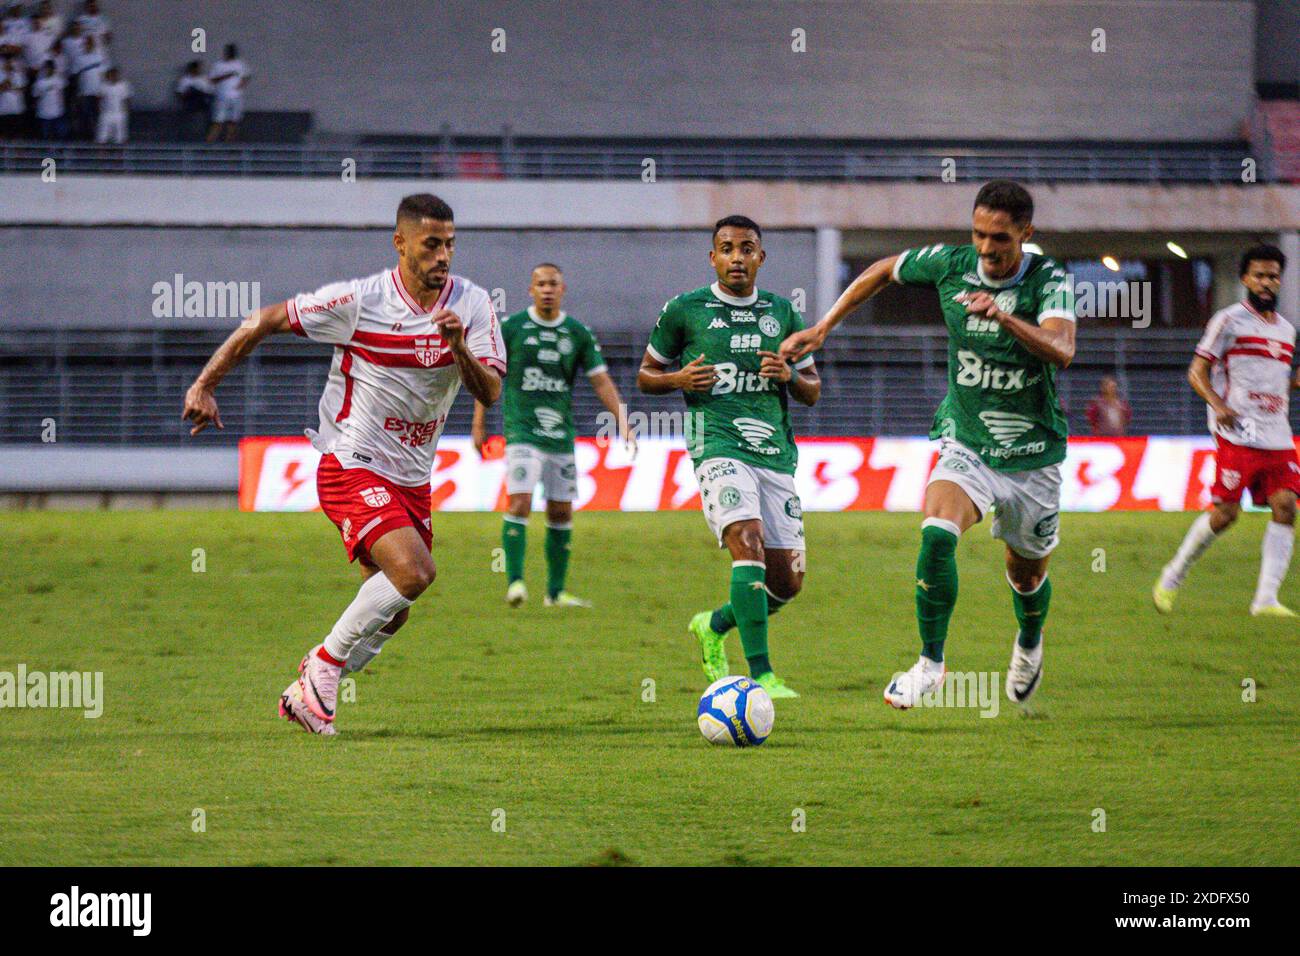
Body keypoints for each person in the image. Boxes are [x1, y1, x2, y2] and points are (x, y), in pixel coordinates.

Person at [182, 194, 506, 735]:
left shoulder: (471, 306)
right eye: (431, 245)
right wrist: (204, 384)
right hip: (350, 459)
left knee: (394, 608)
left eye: (450, 244)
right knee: (416, 571)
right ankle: (323, 668)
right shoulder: (359, 301)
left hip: (411, 475)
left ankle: (307, 688)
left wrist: (459, 349)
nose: (443, 256)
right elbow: (264, 319)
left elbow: (490, 391)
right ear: (400, 244)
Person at [782, 180, 1075, 708]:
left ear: (1025, 234)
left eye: (1000, 239)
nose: (986, 248)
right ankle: (930, 664)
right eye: (979, 234)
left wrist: (1004, 317)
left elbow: (1062, 348)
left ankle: (1030, 640)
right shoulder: (948, 263)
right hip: (967, 440)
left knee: (1026, 573)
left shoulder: (1049, 279)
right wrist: (824, 326)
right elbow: (882, 270)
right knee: (937, 534)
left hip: (1034, 454)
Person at [638, 215, 821, 699]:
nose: (736, 257)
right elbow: (645, 375)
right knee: (748, 541)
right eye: (726, 248)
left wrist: (788, 376)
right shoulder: (685, 310)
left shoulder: (783, 313)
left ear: (761, 257)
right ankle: (761, 675)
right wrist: (676, 380)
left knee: (788, 583)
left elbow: (813, 391)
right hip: (716, 444)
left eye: (746, 248)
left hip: (774, 453)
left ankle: (714, 624)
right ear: (712, 256)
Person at [471, 263, 635, 608]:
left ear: (563, 290)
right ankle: (515, 582)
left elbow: (601, 380)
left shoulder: (577, 333)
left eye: (553, 284)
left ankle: (555, 593)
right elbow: (487, 375)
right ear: (531, 289)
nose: (547, 289)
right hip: (522, 432)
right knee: (520, 501)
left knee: (561, 512)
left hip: (560, 435)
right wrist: (478, 423)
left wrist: (621, 419)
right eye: (540, 284)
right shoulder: (512, 328)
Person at [1153, 244, 1297, 617]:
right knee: (1226, 514)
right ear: (1245, 278)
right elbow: (1196, 372)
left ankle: (1265, 599)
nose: (1267, 283)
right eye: (1260, 276)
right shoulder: (1228, 320)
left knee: (1285, 506)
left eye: (1273, 276)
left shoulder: (1286, 331)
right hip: (1238, 433)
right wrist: (1219, 406)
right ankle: (1173, 575)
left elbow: (1275, 382)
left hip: (1277, 435)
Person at [206, 43, 248, 142]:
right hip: (222, 96)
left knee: (233, 122)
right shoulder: (218, 65)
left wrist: (240, 86)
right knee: (217, 121)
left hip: (236, 97)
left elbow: (246, 76)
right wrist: (227, 75)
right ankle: (209, 144)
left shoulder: (240, 64)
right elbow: (212, 80)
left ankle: (230, 145)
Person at [174, 59, 211, 139]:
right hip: (189, 103)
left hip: (202, 103)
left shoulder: (203, 79)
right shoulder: (185, 79)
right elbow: (179, 93)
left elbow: (209, 92)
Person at [31, 58, 65, 139]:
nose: (49, 70)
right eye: (47, 68)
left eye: (50, 68)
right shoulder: (39, 82)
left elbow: (62, 94)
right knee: (45, 135)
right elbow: (35, 96)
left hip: (57, 112)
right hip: (44, 112)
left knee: (59, 134)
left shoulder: (59, 80)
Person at [93, 63, 127, 143]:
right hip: (106, 113)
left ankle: (120, 154)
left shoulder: (123, 85)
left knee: (120, 136)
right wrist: (99, 109)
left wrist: (125, 111)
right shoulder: (103, 86)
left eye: (114, 75)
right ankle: (101, 154)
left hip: (119, 113)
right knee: (102, 135)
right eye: (111, 75)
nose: (112, 77)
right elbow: (99, 98)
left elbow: (126, 99)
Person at [0, 50, 25, 138]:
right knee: (3, 132)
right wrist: (4, 84)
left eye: (10, 62)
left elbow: (22, 88)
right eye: (6, 62)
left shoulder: (19, 74)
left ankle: (17, 151)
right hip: (3, 109)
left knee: (16, 132)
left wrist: (11, 86)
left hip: (16, 108)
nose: (9, 64)